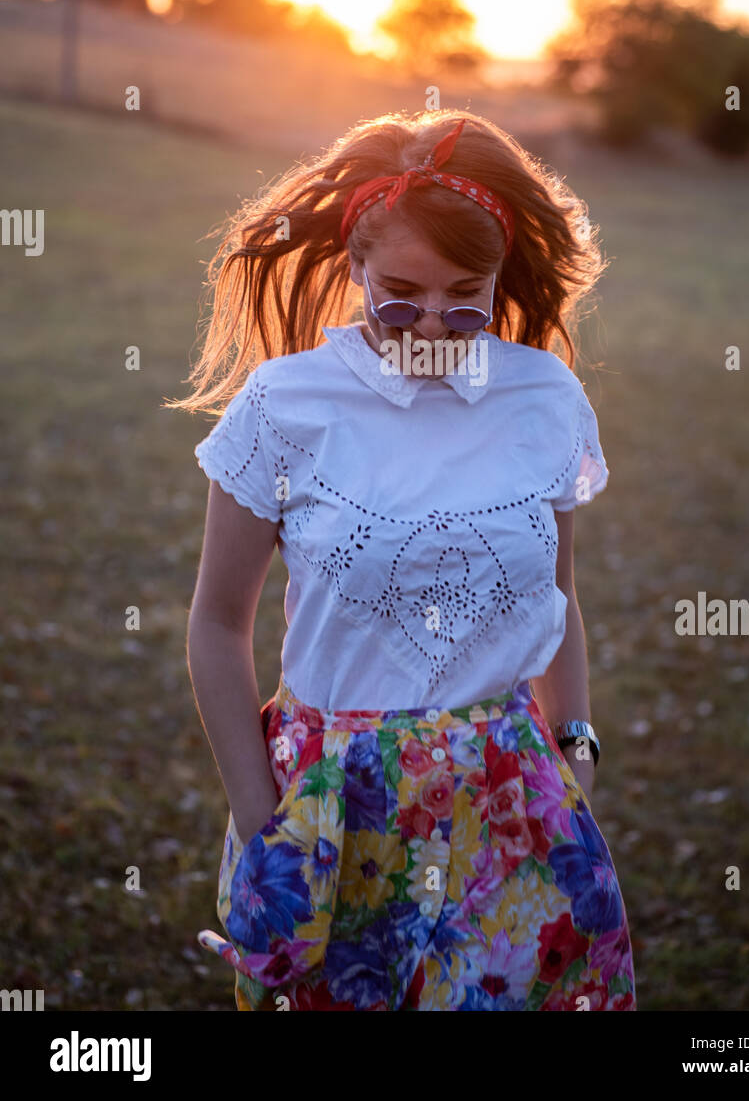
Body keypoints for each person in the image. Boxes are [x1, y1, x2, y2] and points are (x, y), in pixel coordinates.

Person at [167, 110, 637, 1011]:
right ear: (353, 266)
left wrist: (576, 752)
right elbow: (218, 623)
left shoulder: (544, 395)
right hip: (333, 806)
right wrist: (261, 822)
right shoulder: (283, 406)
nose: (430, 322)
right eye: (399, 293)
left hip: (511, 790)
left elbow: (557, 597)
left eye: (466, 296)